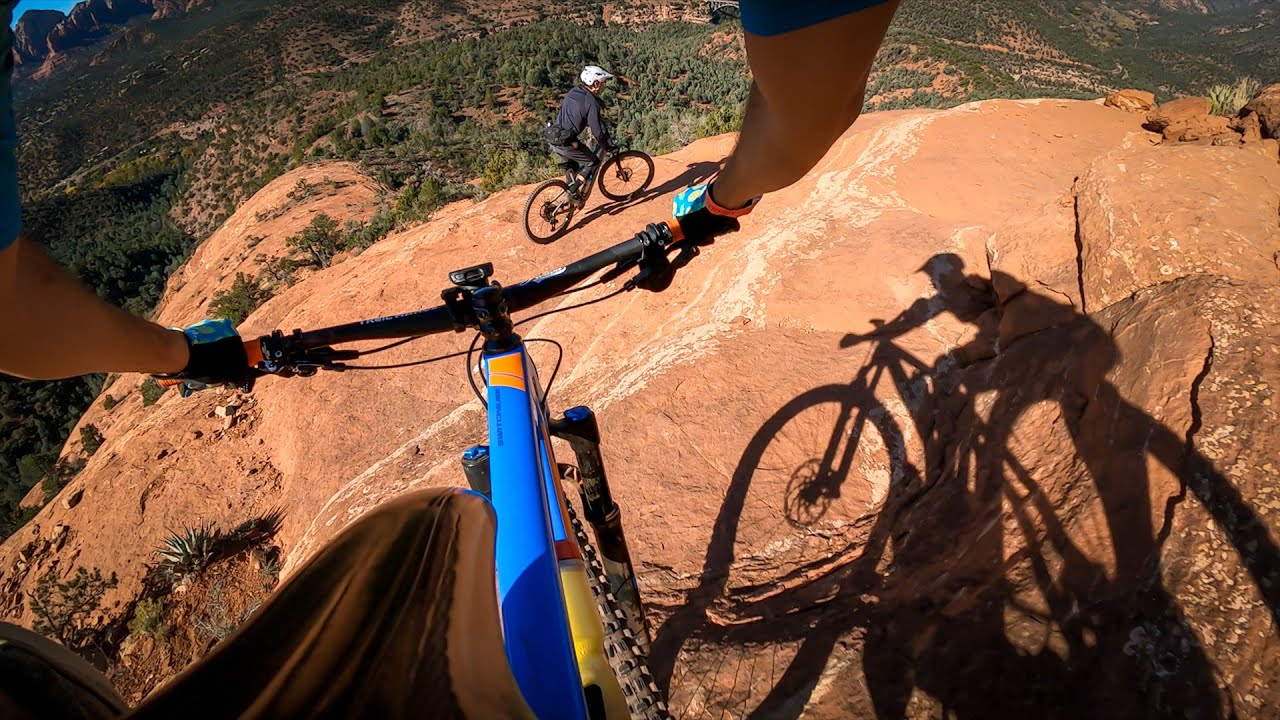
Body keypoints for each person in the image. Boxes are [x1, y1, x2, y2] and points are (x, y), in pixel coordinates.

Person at [1, 0, 901, 716]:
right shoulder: (590, 102)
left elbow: (20, 323)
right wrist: (716, 204)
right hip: (579, 156)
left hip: (552, 147)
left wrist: (187, 357)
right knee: (582, 182)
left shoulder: (576, 94)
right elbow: (808, 110)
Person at [544, 65, 616, 200]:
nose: (604, 85)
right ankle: (573, 190)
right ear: (595, 84)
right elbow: (597, 132)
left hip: (553, 138)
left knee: (572, 165)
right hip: (566, 142)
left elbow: (575, 113)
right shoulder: (592, 103)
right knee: (593, 161)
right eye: (603, 82)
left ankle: (571, 198)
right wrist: (607, 146)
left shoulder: (573, 91)